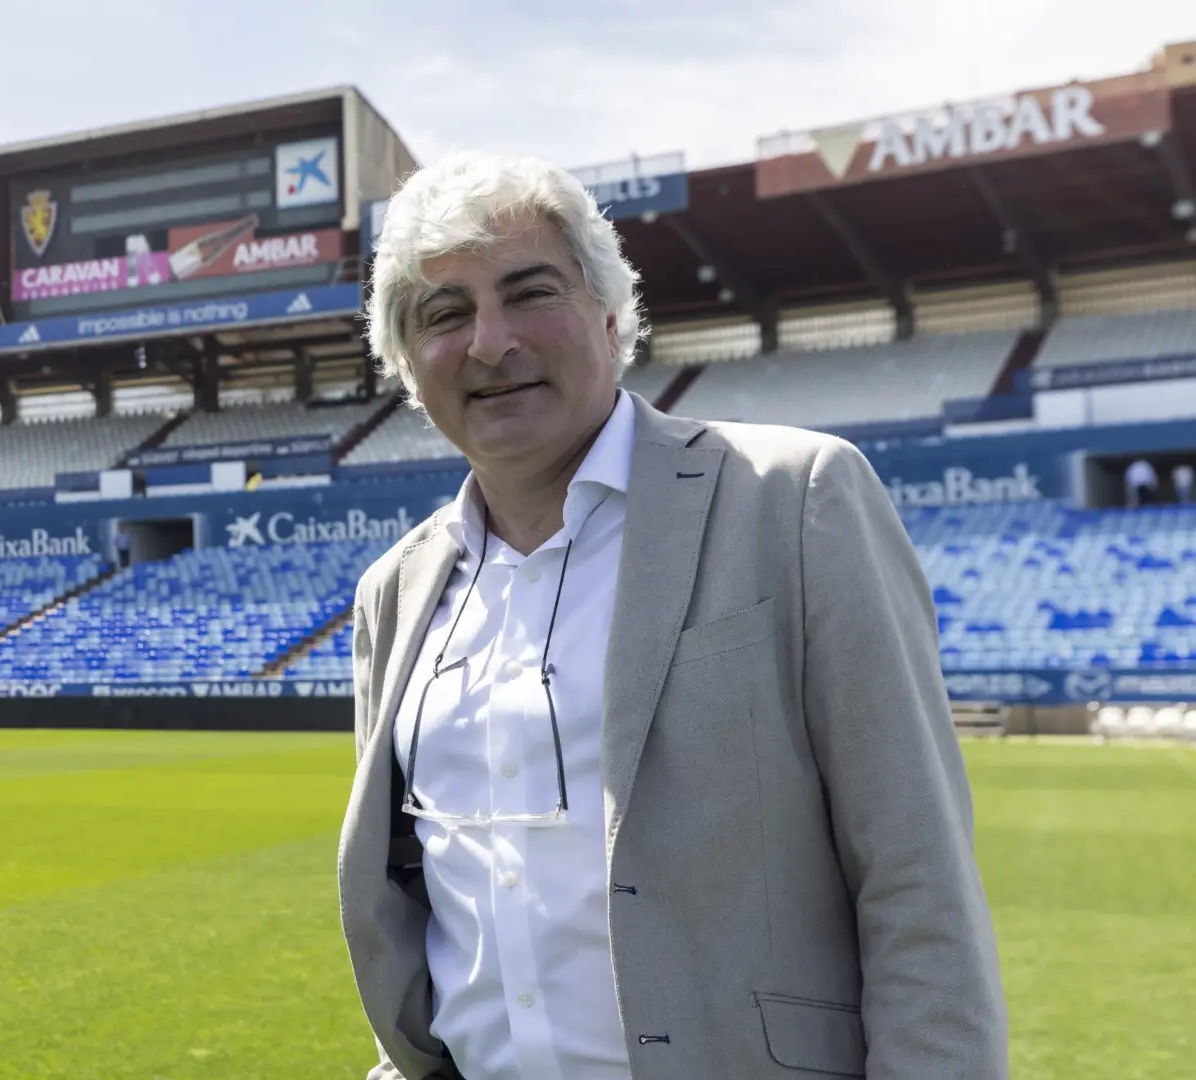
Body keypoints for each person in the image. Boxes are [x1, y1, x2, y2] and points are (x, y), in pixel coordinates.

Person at [339, 152, 1007, 1080]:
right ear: (409, 366)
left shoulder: (795, 499)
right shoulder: (394, 592)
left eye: (529, 293)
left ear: (611, 318)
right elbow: (425, 906)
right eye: (444, 315)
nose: (490, 343)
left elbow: (917, 879)